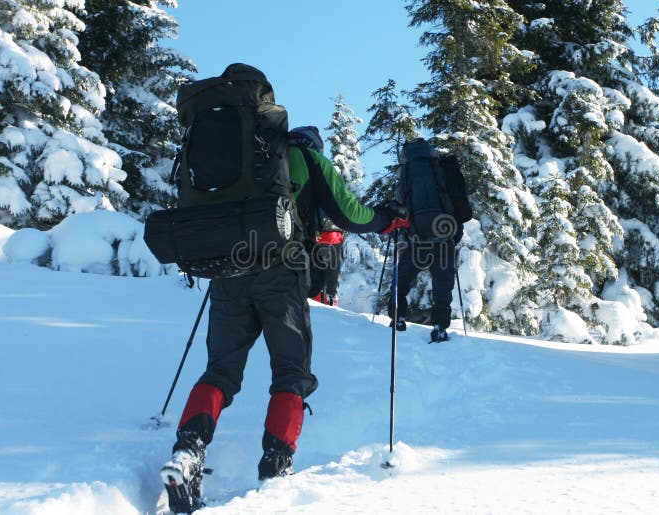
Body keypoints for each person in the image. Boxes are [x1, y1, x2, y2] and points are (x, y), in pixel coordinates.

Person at [160, 119, 407, 512]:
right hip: (282, 274)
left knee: (220, 371)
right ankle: (276, 464)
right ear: (313, 144)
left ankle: (188, 451)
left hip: (230, 271)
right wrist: (387, 219)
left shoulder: (240, 158)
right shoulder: (308, 159)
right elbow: (350, 215)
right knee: (290, 372)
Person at [387, 138, 470, 343]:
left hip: (417, 240)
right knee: (443, 286)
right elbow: (458, 203)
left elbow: (400, 206)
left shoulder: (406, 174)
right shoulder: (440, 170)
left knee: (402, 281)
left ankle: (398, 318)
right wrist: (455, 233)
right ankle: (440, 327)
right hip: (443, 239)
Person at [307, 209, 344, 306]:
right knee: (333, 266)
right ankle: (331, 297)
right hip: (336, 232)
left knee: (319, 267)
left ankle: (320, 297)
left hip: (318, 232)